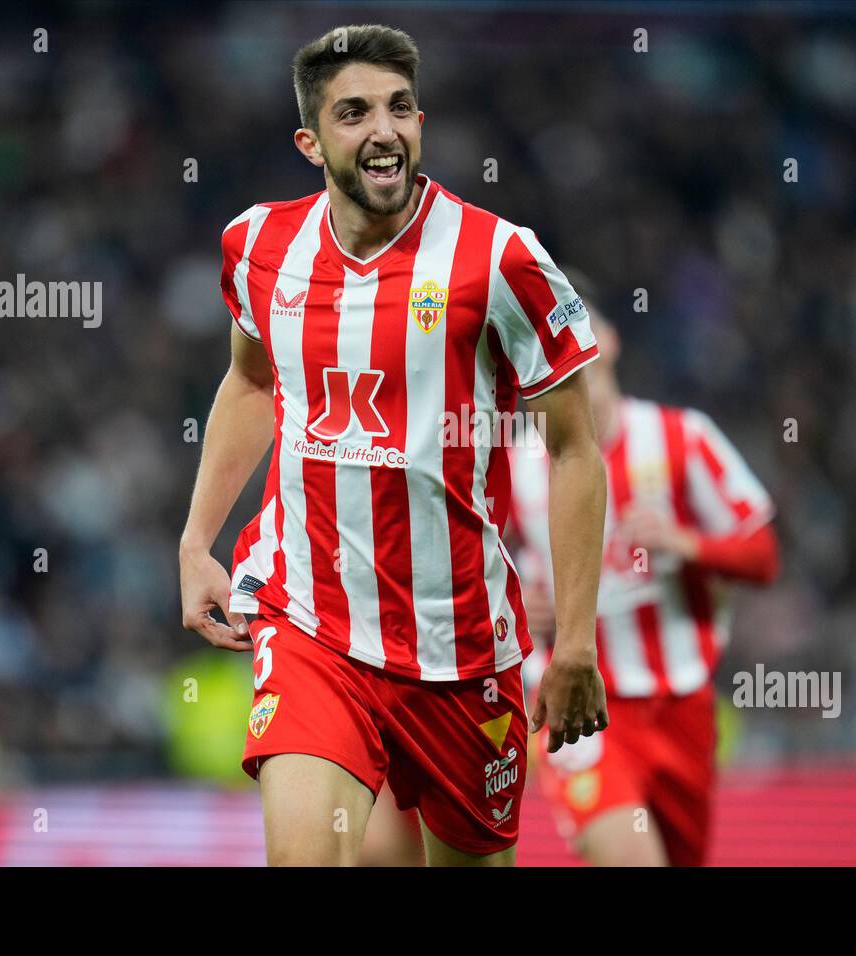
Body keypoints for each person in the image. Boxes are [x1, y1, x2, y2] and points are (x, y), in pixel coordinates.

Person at [178, 24, 608, 867]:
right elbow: (252, 383)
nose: (384, 130)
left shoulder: (500, 258)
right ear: (310, 143)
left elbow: (574, 450)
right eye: (354, 113)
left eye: (400, 108)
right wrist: (197, 541)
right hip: (310, 622)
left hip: (461, 648)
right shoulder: (259, 246)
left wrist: (578, 645)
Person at [508, 277, 780, 866]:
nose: (567, 340)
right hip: (582, 708)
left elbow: (763, 555)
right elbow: (469, 561)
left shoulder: (683, 438)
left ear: (609, 338)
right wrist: (510, 606)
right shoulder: (515, 463)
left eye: (578, 322)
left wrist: (686, 543)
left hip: (682, 704)